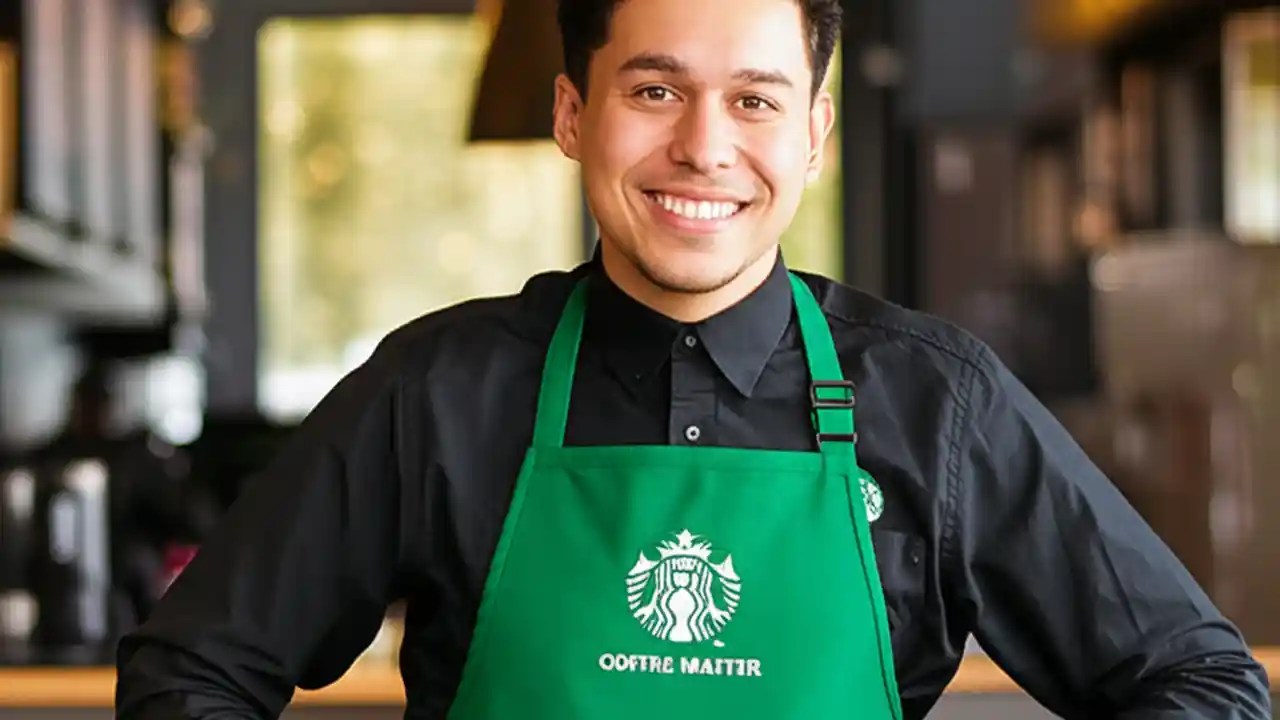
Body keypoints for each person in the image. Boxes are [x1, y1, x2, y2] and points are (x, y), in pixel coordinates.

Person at [115, 0, 1272, 717]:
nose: (703, 147)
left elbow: (1204, 690)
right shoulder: (434, 393)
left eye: (755, 101)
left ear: (812, 133)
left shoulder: (936, 403)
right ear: (573, 114)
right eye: (654, 89)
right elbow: (191, 677)